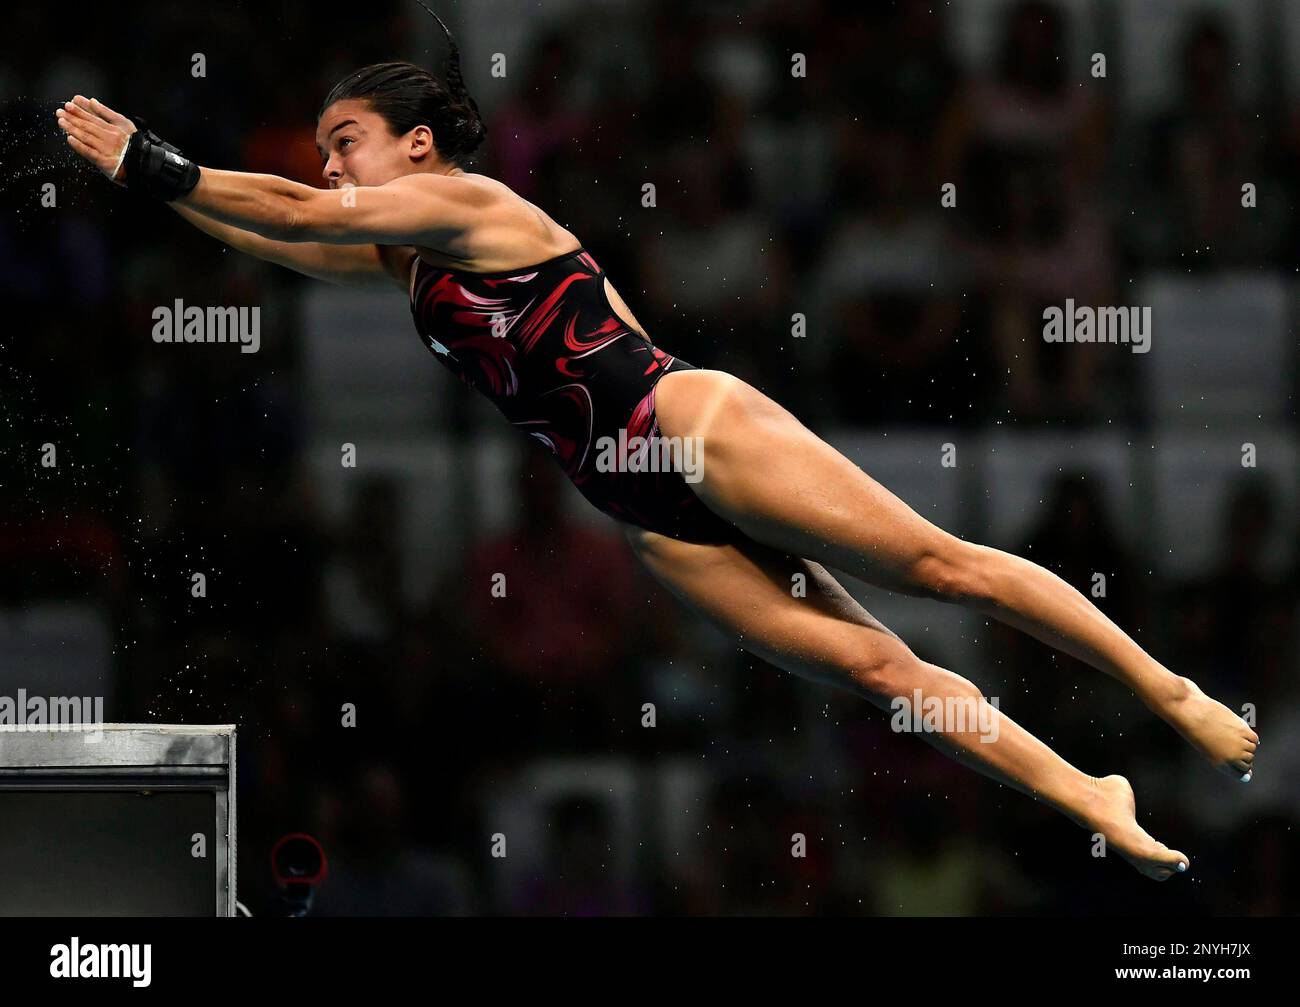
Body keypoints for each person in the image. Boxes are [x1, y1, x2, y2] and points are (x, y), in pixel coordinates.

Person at [53, 18, 1257, 882]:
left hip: (689, 426)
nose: (329, 164)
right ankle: (1088, 793)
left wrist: (155, 157)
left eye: (347, 138)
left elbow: (295, 208)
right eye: (322, 146)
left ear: (419, 145)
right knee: (885, 676)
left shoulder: (475, 206)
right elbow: (272, 231)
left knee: (941, 568)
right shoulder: (397, 259)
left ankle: (1167, 687)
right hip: (647, 517)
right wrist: (156, 187)